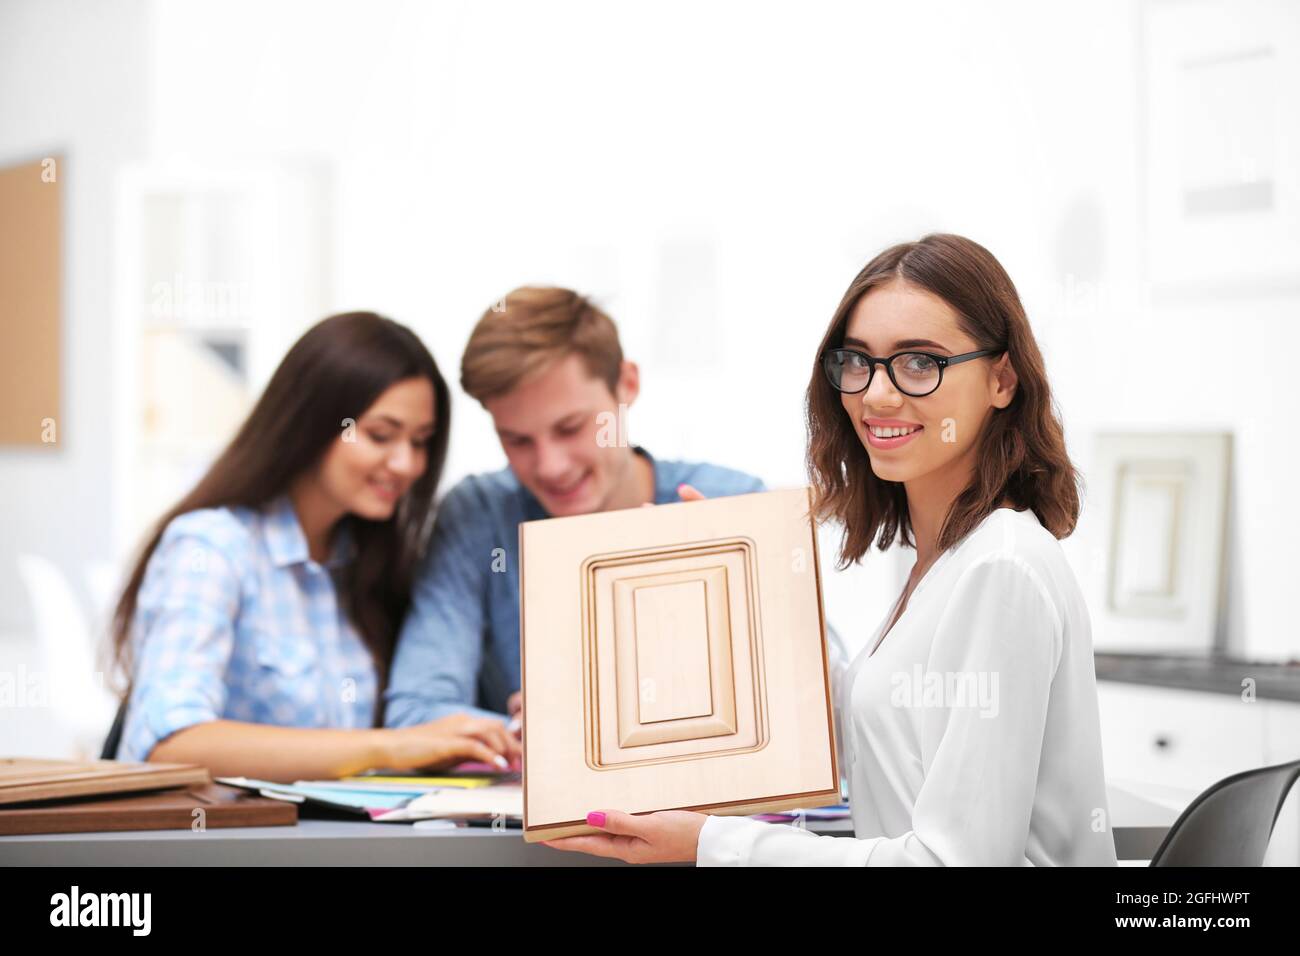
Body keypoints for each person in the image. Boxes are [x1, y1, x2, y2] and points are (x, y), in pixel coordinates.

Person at [542, 234, 1118, 866]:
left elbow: (952, 864)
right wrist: (755, 599)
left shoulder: (1001, 566)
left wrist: (712, 845)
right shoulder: (948, 562)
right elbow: (892, 729)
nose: (875, 395)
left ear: (1002, 379)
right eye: (858, 361)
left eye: (920, 362)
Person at [111, 312, 520, 782]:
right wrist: (387, 747)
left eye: (421, 442)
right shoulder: (212, 548)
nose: (406, 463)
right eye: (380, 436)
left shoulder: (368, 564)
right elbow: (169, 742)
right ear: (313, 421)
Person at [384, 287, 766, 733]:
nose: (550, 466)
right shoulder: (479, 515)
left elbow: (805, 702)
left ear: (627, 384)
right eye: (517, 440)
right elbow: (418, 710)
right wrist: (532, 733)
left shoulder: (732, 502)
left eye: (571, 428)